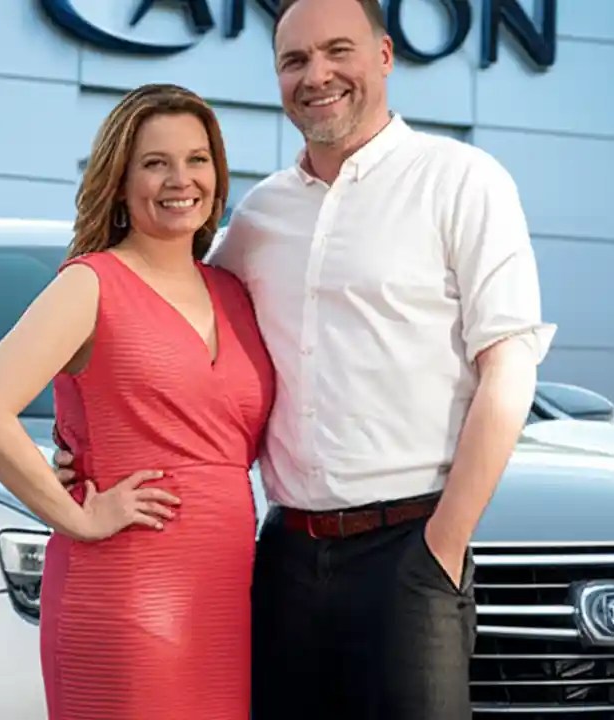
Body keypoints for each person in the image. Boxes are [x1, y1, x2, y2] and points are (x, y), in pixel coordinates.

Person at [55, 0, 556, 716]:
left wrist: (445, 544)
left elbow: (509, 366)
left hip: (412, 549)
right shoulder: (259, 217)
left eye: (337, 51)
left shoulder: (461, 181)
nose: (316, 75)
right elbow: (165, 334)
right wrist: (83, 444)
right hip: (283, 558)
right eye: (294, 60)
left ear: (384, 56)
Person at [0, 83, 275, 720]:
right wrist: (77, 519)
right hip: (127, 592)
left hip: (224, 597)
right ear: (120, 182)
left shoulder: (234, 291)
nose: (181, 179)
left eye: (197, 159)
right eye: (155, 163)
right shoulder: (92, 284)